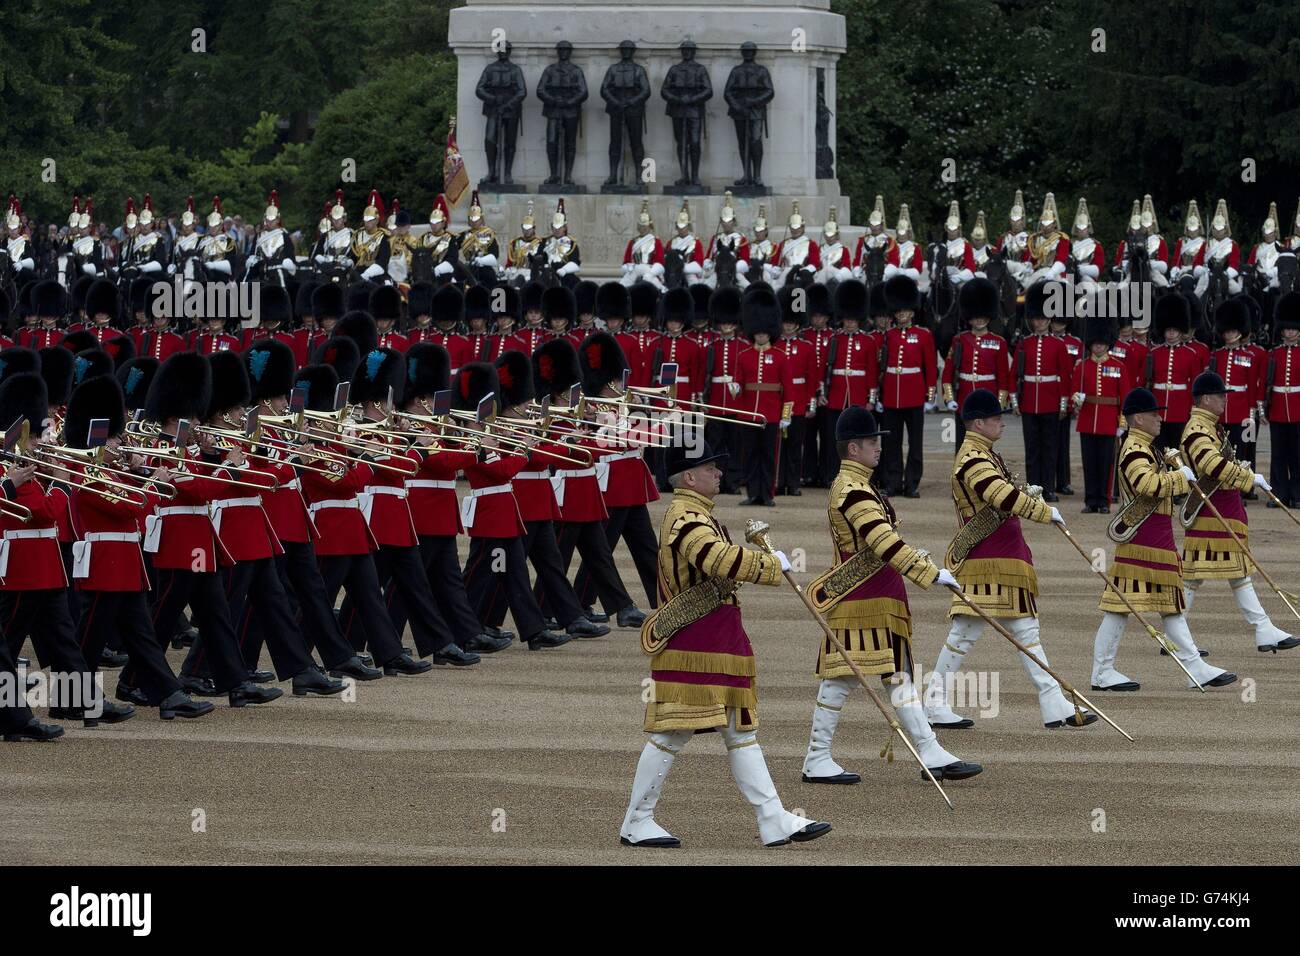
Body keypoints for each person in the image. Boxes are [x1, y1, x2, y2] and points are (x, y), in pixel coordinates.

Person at [619, 440, 831, 849]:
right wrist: (770, 565)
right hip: (694, 642)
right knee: (671, 734)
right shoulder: (685, 518)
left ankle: (772, 819)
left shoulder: (698, 513)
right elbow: (715, 559)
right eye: (711, 468)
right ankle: (636, 820)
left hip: (716, 639)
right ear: (689, 477)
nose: (719, 474)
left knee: (739, 732)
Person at [800, 406, 981, 785]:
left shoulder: (859, 484)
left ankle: (928, 750)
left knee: (895, 675)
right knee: (842, 678)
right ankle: (817, 757)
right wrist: (930, 574)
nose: (878, 448)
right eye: (871, 442)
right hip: (862, 596)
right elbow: (883, 542)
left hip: (875, 595)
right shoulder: (852, 490)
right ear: (853, 449)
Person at [924, 388, 1096, 730]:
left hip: (1002, 553)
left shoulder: (984, 453)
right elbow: (1000, 496)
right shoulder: (973, 458)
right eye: (995, 419)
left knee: (1023, 629)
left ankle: (1052, 701)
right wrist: (1042, 511)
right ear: (977, 423)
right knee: (965, 634)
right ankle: (934, 701)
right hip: (988, 556)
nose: (1001, 423)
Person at [1090, 387, 1241, 692]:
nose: (1160, 419)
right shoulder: (1134, 447)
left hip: (1154, 537)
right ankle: (1103, 672)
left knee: (1168, 603)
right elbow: (1146, 485)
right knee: (1122, 608)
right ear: (1137, 418)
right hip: (1143, 539)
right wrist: (1179, 478)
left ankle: (1192, 666)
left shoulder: (1144, 445)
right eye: (1154, 414)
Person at [1179, 371, 1299, 653]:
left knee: (1226, 573)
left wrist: (1244, 472)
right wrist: (1248, 479)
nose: (1224, 401)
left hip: (1220, 507)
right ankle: (1262, 629)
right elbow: (1211, 465)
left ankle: (1262, 629)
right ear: (1206, 399)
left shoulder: (1209, 424)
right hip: (1213, 509)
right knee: (1207, 574)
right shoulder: (1198, 428)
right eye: (1221, 396)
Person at [877, 274, 936, 498]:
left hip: (914, 396)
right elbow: (883, 368)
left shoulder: (923, 335)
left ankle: (912, 483)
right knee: (891, 443)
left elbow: (930, 367)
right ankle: (893, 481)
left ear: (912, 311)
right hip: (892, 395)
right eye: (898, 311)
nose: (902, 314)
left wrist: (931, 396)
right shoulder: (889, 335)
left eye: (905, 311)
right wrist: (880, 395)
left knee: (915, 443)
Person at [736, 285, 792, 507]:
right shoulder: (744, 355)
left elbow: (788, 389)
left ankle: (767, 494)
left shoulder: (780, 356)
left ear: (770, 332)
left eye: (763, 332)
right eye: (757, 332)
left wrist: (786, 414)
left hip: (771, 414)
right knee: (749, 455)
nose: (760, 335)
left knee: (769, 456)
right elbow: (739, 382)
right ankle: (752, 493)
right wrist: (735, 389)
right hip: (749, 413)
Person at [1014, 282, 1071, 500]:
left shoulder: (1058, 345)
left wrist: (1064, 404)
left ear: (1049, 319)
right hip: (1029, 401)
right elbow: (1014, 374)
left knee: (1049, 448)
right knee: (1032, 449)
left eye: (1043, 318)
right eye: (1036, 318)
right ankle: (1033, 487)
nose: (1039, 322)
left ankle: (1048, 487)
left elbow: (1065, 376)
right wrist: (1014, 400)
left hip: (1050, 402)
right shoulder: (1024, 344)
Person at [1071, 314, 1130, 514]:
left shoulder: (1118, 367)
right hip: (1087, 420)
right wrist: (1076, 401)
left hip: (1108, 421)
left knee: (1106, 464)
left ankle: (1104, 501)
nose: (1097, 347)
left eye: (1101, 344)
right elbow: (1074, 393)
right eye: (1095, 344)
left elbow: (1125, 398)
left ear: (1107, 344)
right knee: (1089, 462)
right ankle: (1090, 500)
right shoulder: (1082, 367)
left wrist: (1122, 423)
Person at [1266, 292, 1300, 506]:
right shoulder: (1274, 353)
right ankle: (1279, 492)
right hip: (1278, 407)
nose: (1289, 332)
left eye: (1293, 329)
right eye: (1287, 329)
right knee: (1278, 454)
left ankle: (1297, 493)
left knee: (1297, 454)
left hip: (1297, 407)